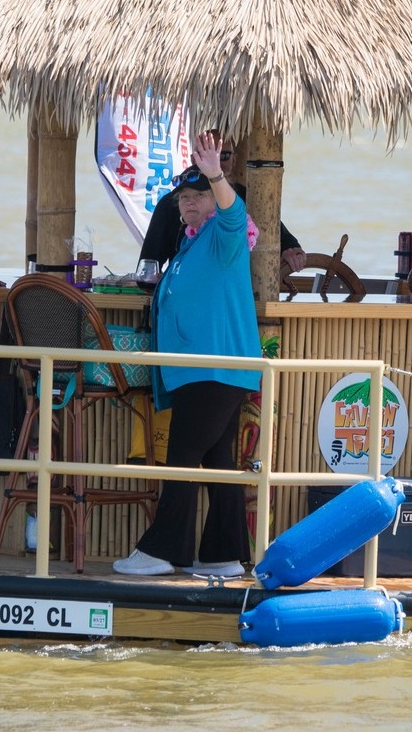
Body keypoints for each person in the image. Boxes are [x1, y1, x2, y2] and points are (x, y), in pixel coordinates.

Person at [114, 130, 261, 577]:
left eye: (199, 195)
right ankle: (225, 556)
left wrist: (216, 174)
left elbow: (235, 214)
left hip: (216, 368)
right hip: (200, 371)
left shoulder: (224, 233)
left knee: (182, 456)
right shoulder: (190, 242)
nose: (189, 202)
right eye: (183, 197)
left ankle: (163, 552)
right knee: (217, 463)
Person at [139, 135, 307, 276]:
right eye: (185, 197)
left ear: (234, 159)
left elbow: (284, 240)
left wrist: (292, 250)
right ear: (193, 160)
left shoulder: (246, 199)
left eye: (224, 155)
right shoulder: (170, 204)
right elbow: (148, 265)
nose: (215, 162)